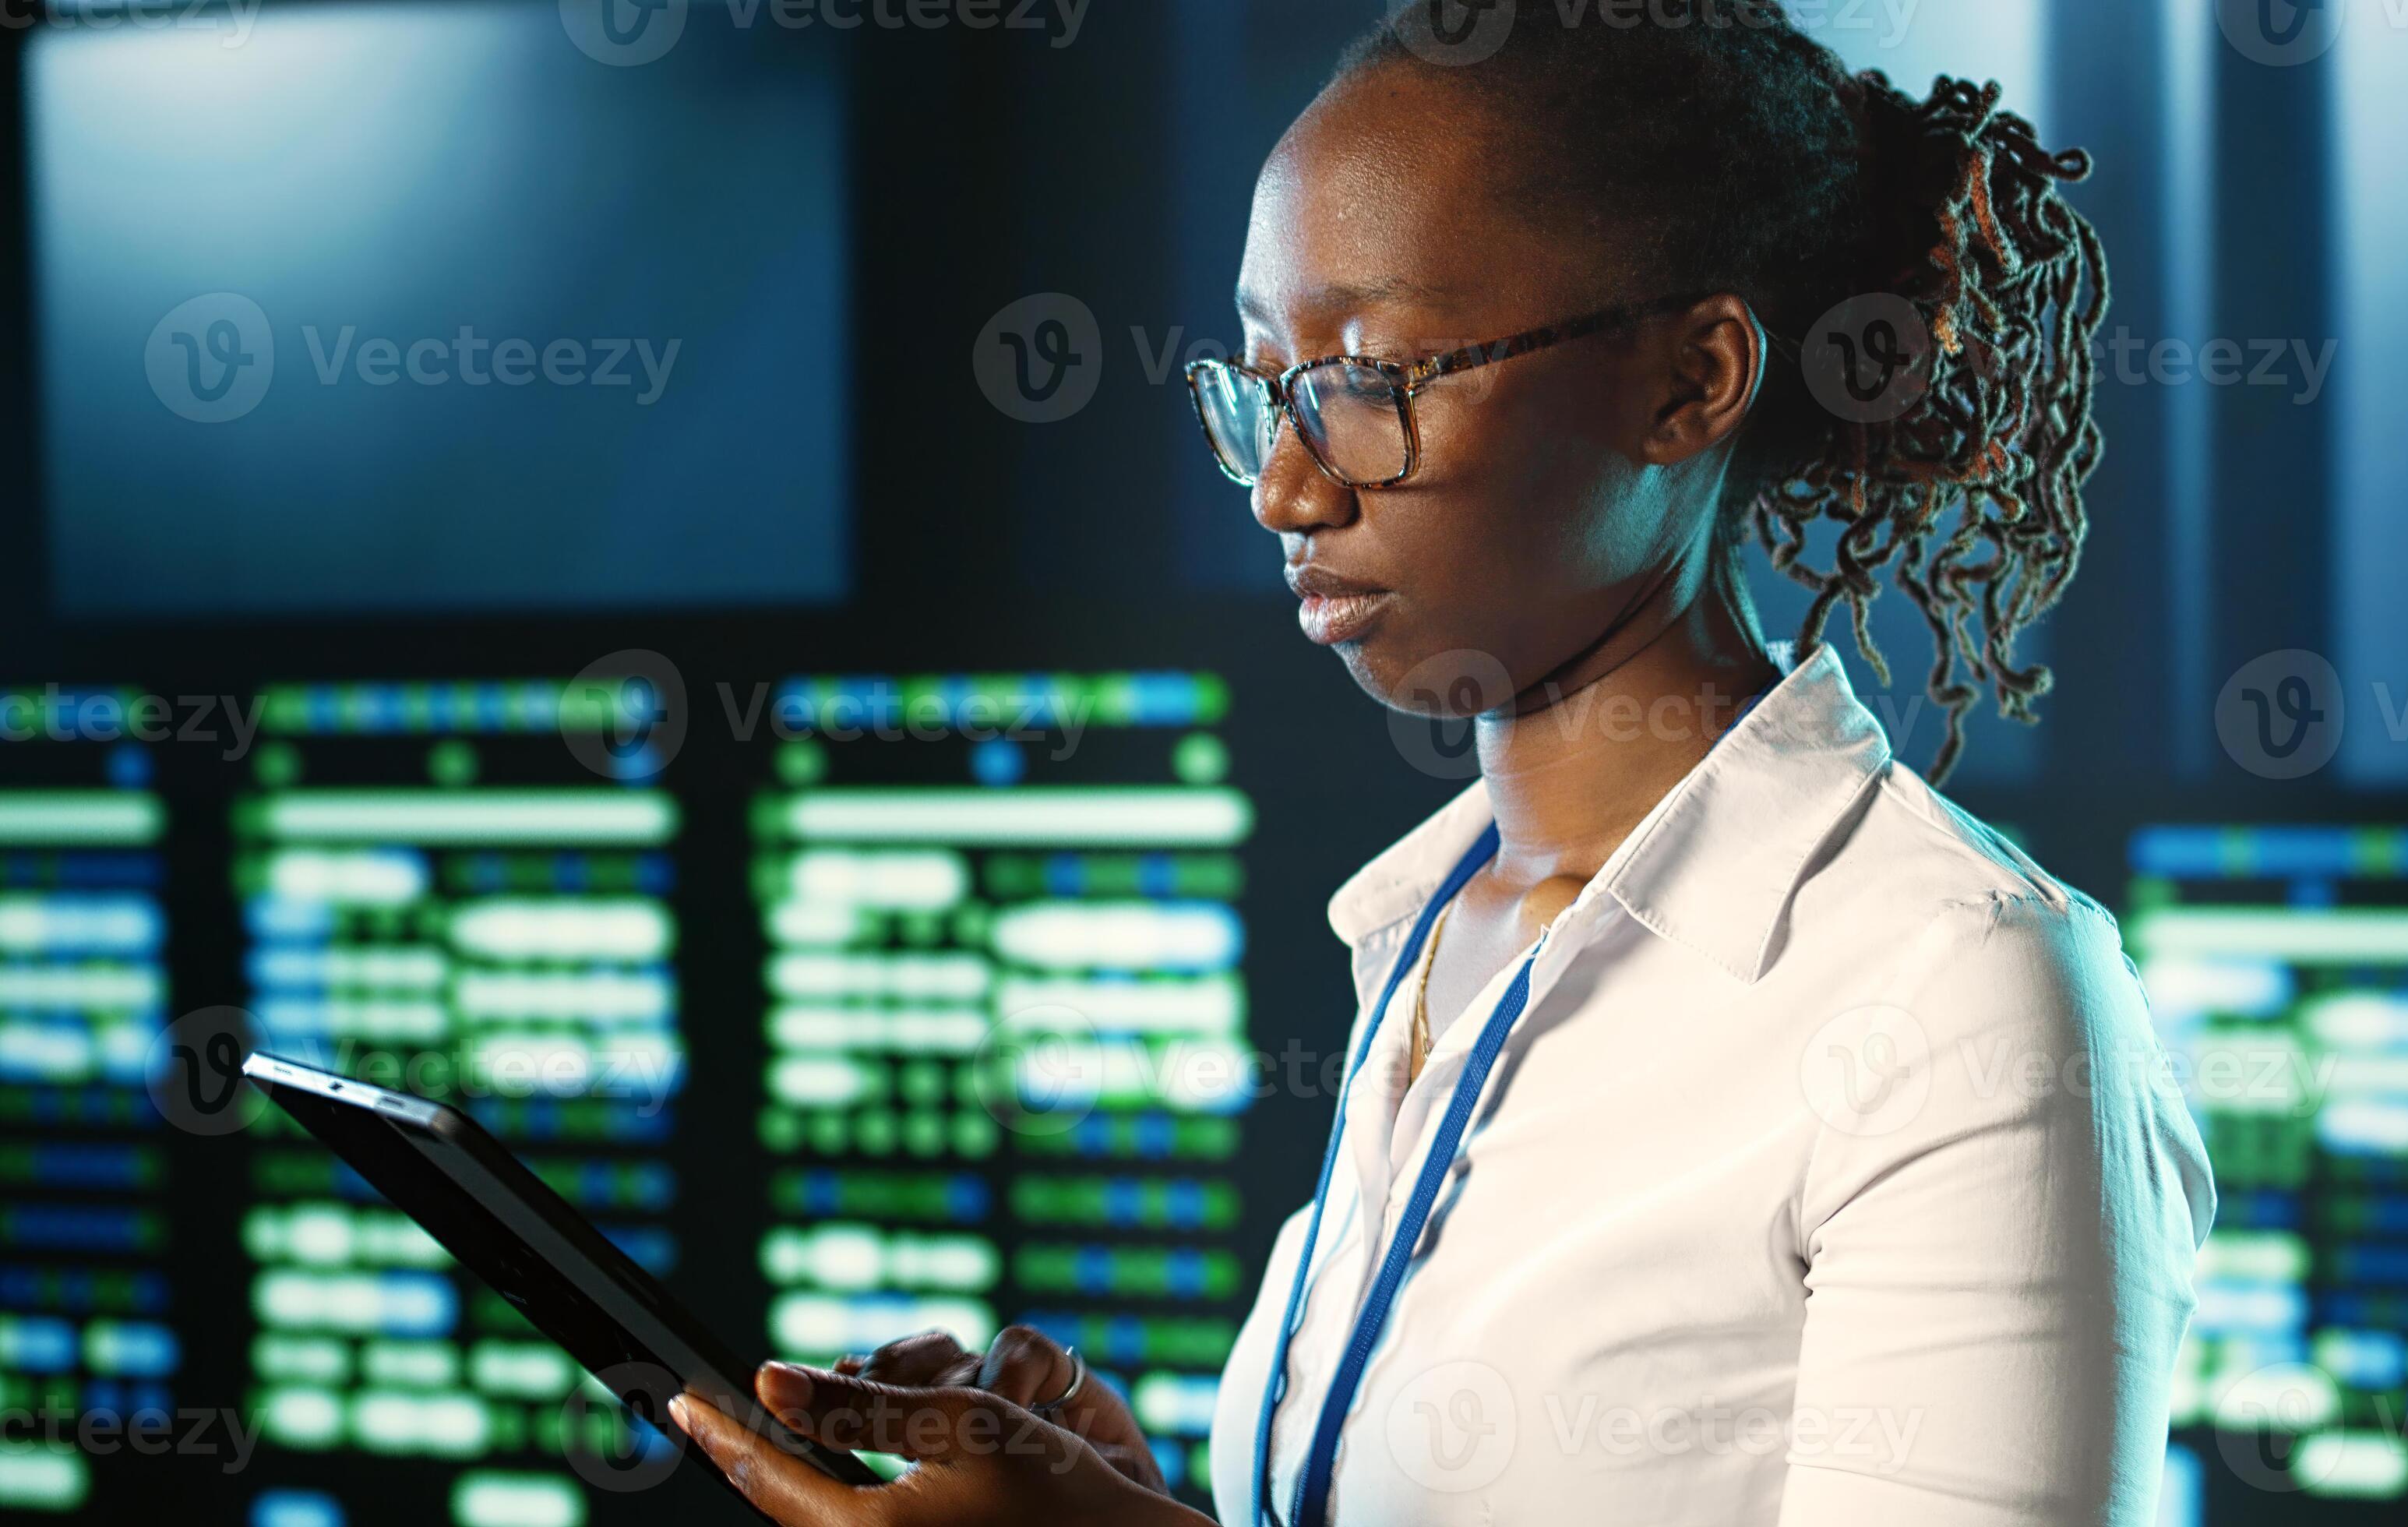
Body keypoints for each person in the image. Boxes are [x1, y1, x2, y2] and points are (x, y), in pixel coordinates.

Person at [668, 5, 2214, 1522]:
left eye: (1368, 379)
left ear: (1688, 381)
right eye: (1266, 380)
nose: (1283, 488)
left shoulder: (1956, 996)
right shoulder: (1428, 931)